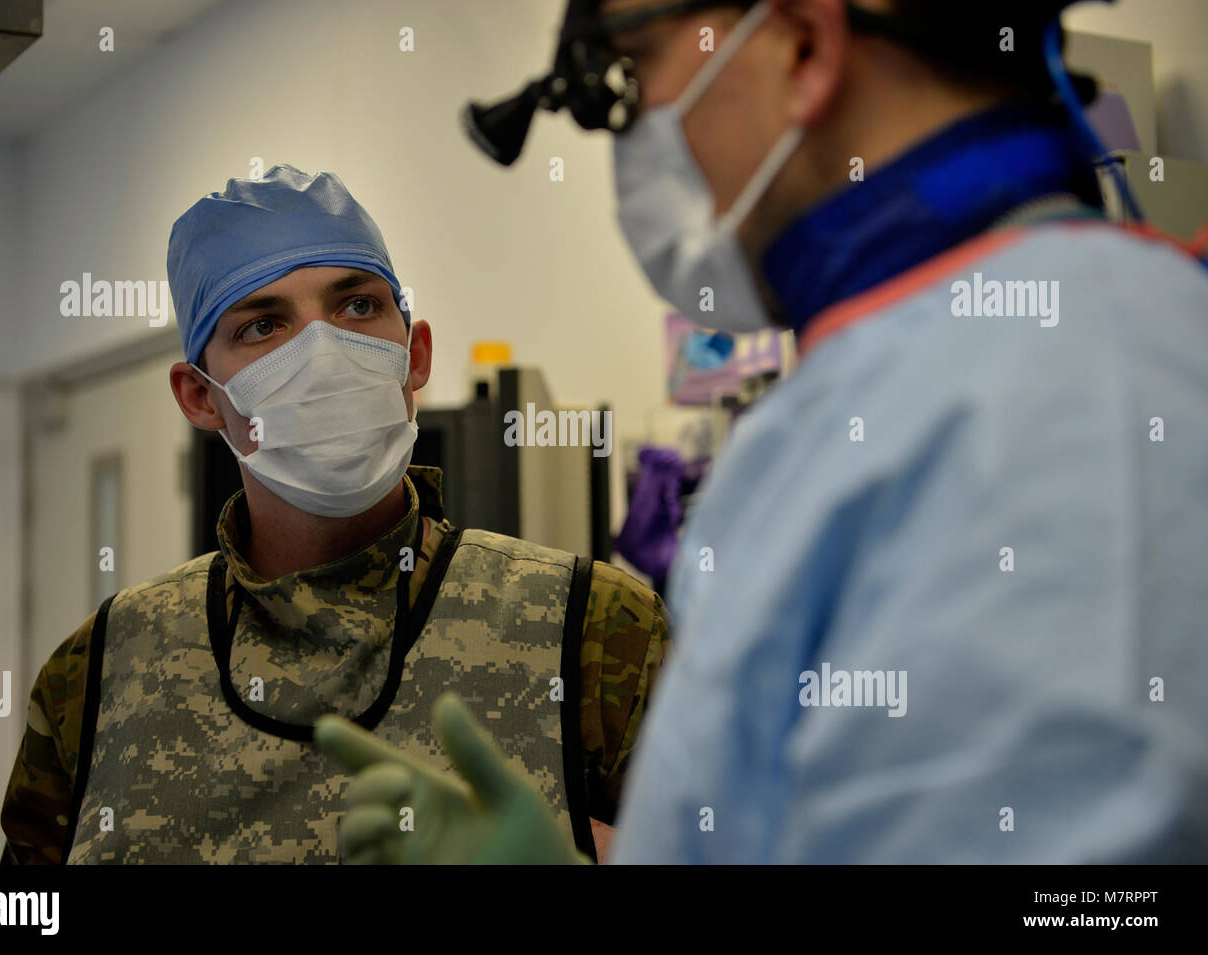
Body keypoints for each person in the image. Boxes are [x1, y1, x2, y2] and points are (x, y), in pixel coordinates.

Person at [317, 0, 1208, 863]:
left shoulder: (997, 398)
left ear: (801, 48)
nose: (634, 151)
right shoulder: (1048, 342)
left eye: (636, 75)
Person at [0, 164, 668, 864]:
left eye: (356, 308)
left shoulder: (594, 630)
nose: (320, 354)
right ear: (199, 397)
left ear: (414, 356)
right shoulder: (102, 669)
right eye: (263, 325)